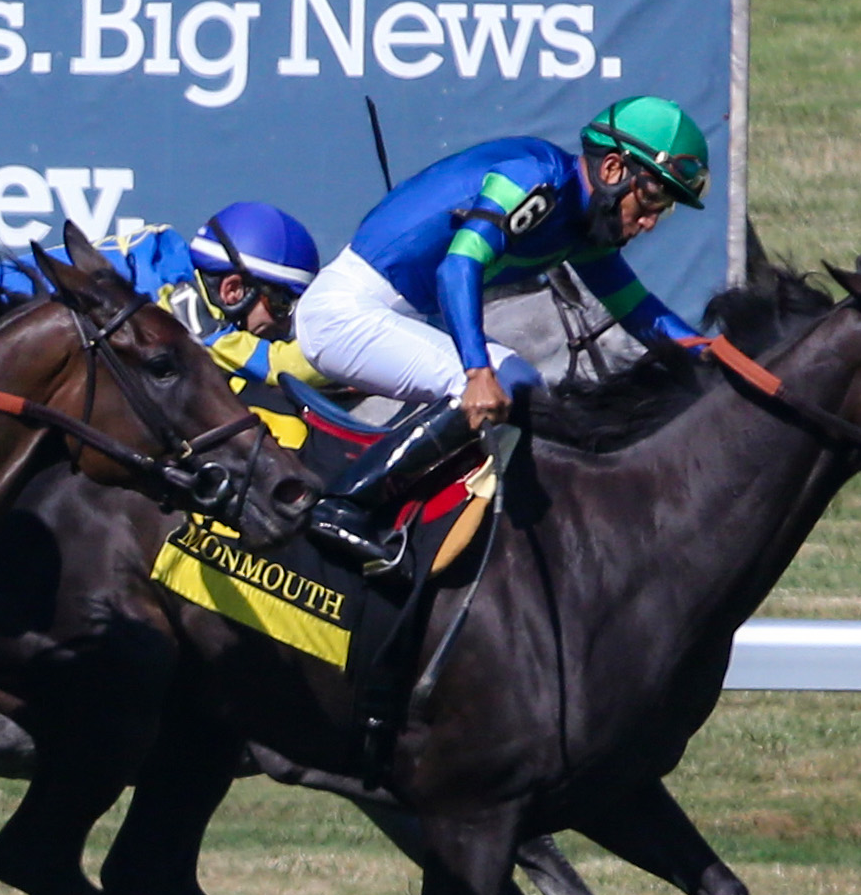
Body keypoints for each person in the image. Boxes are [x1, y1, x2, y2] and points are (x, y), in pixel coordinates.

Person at [294, 96, 713, 571]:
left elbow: (639, 312)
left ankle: (421, 516)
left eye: (665, 208)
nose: (651, 221)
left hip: (385, 314)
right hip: (344, 313)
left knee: (524, 387)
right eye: (653, 197)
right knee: (503, 382)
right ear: (614, 168)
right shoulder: (535, 178)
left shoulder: (581, 228)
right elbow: (458, 265)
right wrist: (476, 372)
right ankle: (343, 505)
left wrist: (716, 354)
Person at [150, 201, 333, 397]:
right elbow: (281, 366)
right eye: (281, 305)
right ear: (233, 290)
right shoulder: (193, 325)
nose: (285, 325)